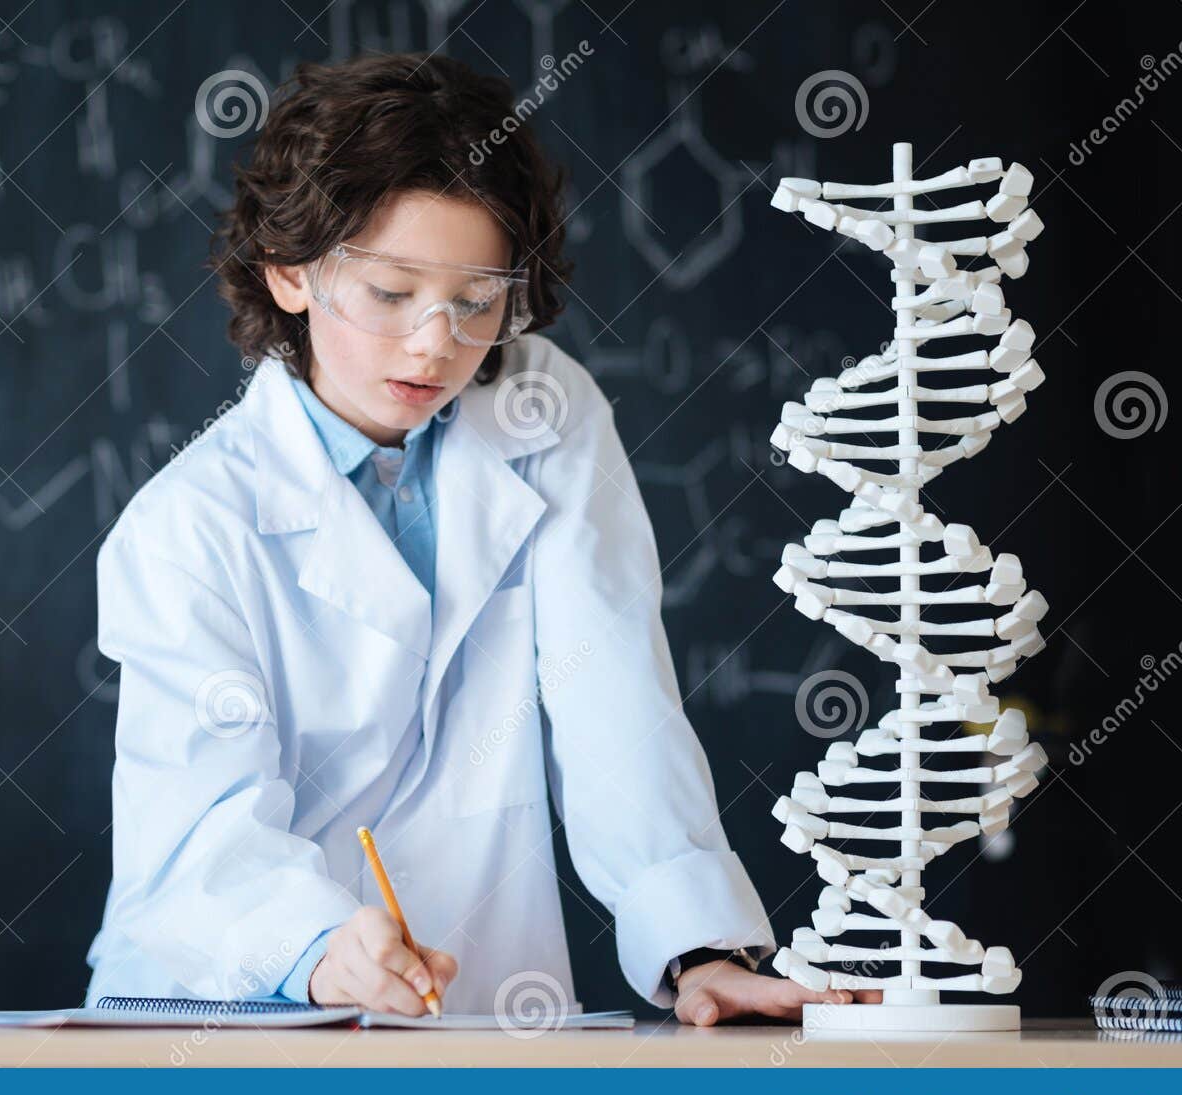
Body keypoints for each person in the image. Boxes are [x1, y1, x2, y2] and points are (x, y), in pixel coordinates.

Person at [84, 51, 880, 1025]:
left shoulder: (545, 412)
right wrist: (320, 946)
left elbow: (613, 693)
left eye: (475, 299)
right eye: (389, 293)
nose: (434, 342)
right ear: (288, 272)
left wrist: (696, 948)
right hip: (232, 1013)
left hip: (477, 1002)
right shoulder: (186, 526)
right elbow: (200, 834)